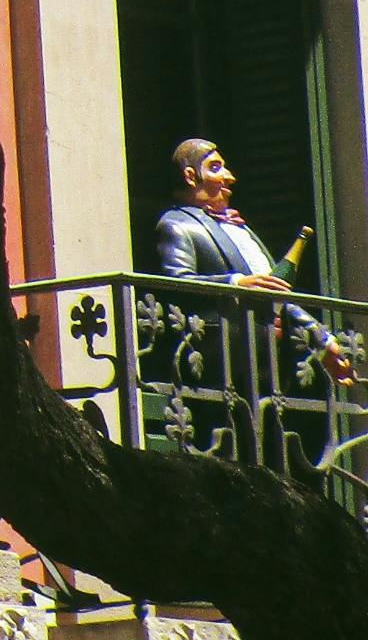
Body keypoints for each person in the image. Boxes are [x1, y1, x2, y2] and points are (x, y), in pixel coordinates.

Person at [149, 138, 353, 436]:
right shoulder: (176, 224)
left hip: (267, 371)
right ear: (190, 176)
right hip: (217, 369)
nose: (230, 177)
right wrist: (237, 283)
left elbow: (275, 292)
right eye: (216, 167)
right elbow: (177, 282)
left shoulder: (240, 228)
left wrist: (322, 341)